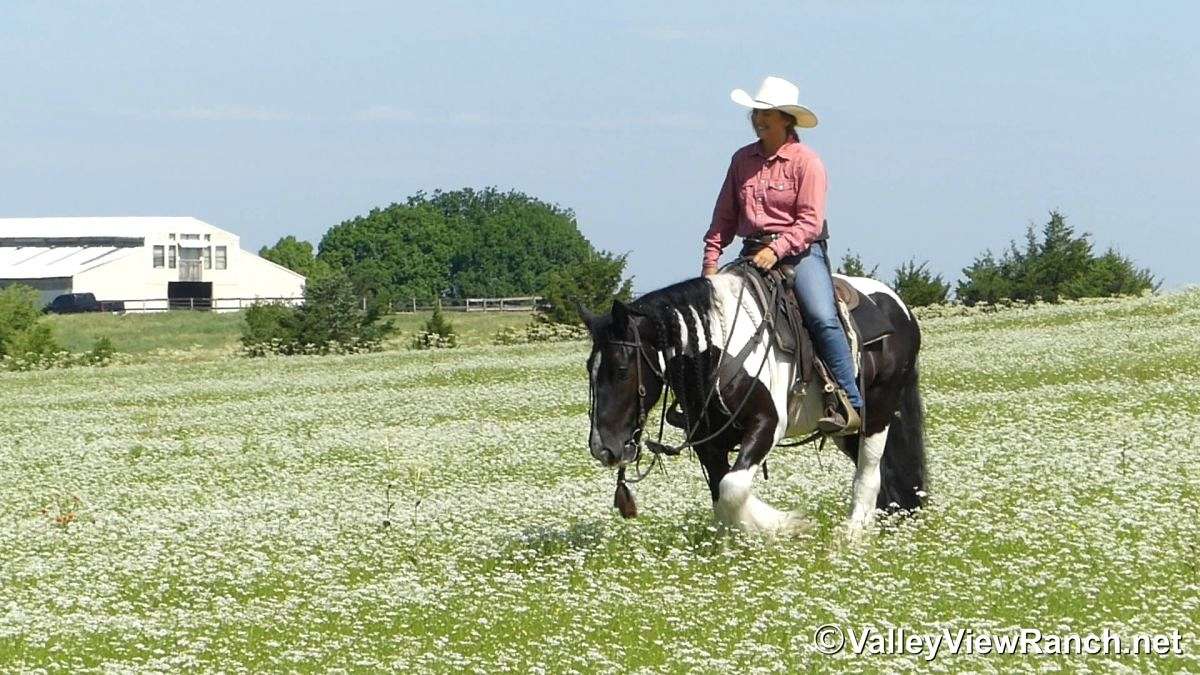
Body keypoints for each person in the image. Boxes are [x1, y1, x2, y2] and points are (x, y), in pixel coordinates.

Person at [702, 75, 863, 436]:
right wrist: (711, 262)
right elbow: (723, 218)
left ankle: (849, 402)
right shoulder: (741, 160)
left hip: (800, 253)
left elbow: (809, 221)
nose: (759, 120)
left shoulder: (807, 162)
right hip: (751, 251)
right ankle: (703, 403)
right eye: (756, 113)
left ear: (786, 120)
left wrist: (776, 250)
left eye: (767, 114)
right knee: (712, 317)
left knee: (822, 316)